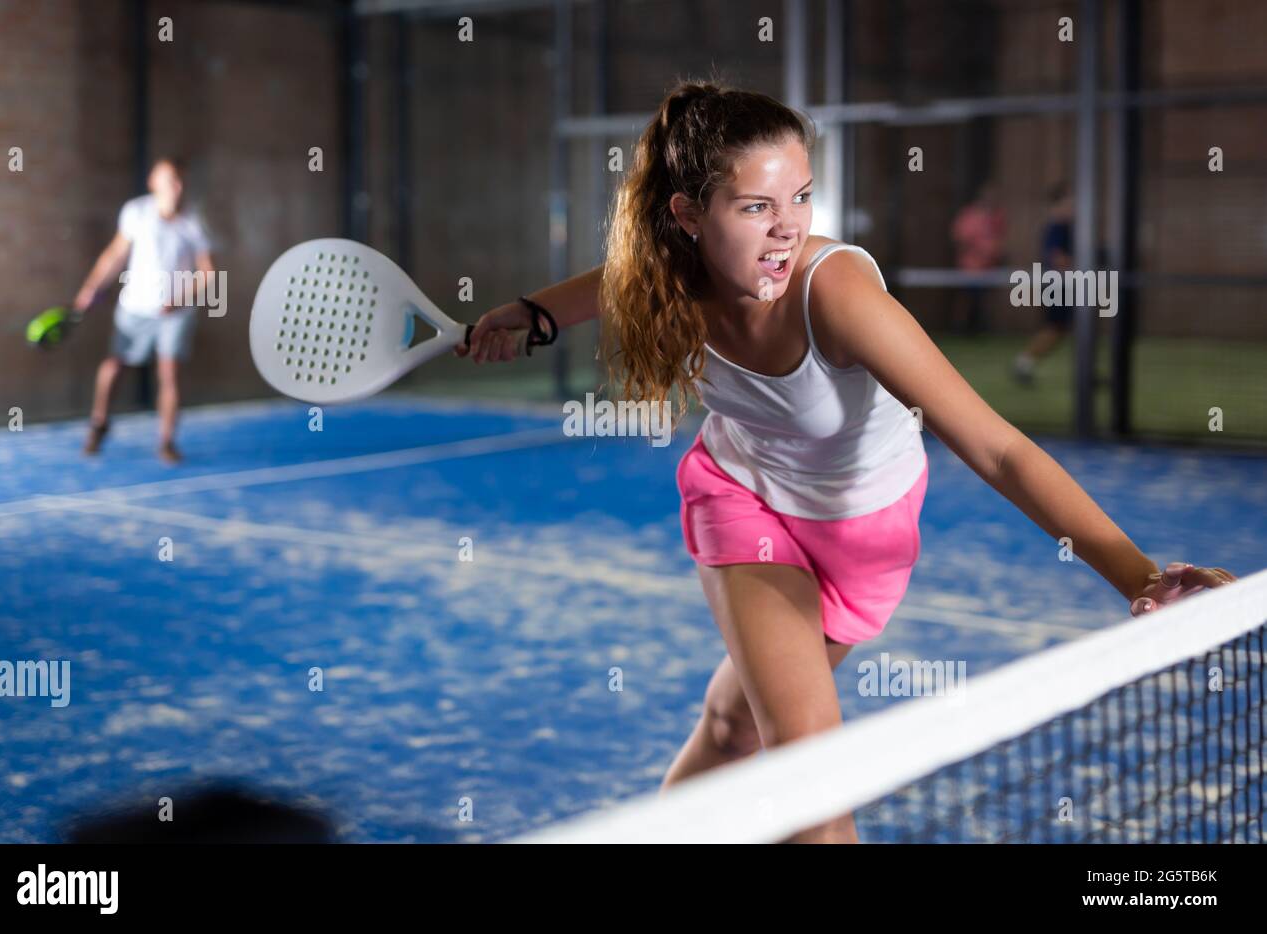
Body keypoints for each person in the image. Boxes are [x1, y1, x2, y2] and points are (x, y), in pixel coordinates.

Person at [456, 81, 1235, 842]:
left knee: (733, 728)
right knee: (812, 785)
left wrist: (1138, 577)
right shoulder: (670, 275)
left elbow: (997, 448)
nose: (787, 227)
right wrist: (530, 314)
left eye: (801, 197)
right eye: (757, 206)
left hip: (867, 534)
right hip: (744, 503)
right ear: (688, 217)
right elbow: (621, 279)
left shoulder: (837, 296)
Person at [73, 157, 214, 464]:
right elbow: (115, 254)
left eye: (179, 181)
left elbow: (208, 273)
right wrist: (91, 288)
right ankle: (99, 424)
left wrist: (180, 298)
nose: (176, 187)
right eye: (170, 180)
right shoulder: (136, 212)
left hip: (175, 313)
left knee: (169, 373)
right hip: (134, 308)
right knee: (112, 367)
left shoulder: (193, 221)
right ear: (154, 182)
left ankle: (166, 441)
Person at [1012, 182, 1074, 384]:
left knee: (1060, 329)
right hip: (1057, 284)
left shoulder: (1063, 227)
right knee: (1055, 327)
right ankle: (1023, 363)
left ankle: (1025, 363)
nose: (1074, 205)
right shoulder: (1057, 227)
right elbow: (1059, 259)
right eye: (1070, 200)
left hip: (1061, 283)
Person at [949, 181, 1006, 334]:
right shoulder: (969, 216)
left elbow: (999, 237)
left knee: (985, 299)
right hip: (970, 266)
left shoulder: (997, 216)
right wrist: (977, 252)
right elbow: (960, 239)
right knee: (966, 299)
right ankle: (959, 327)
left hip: (990, 266)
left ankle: (983, 327)